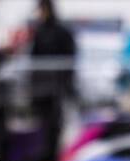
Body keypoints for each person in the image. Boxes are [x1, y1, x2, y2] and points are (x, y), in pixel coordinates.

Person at [29, 0, 76, 150]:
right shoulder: (39, 32)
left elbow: (69, 62)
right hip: (41, 92)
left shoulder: (62, 32)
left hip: (56, 92)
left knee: (55, 128)